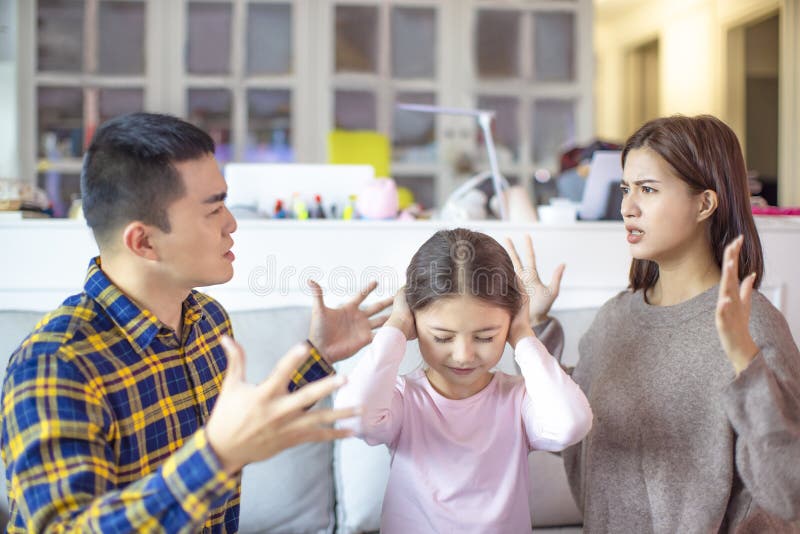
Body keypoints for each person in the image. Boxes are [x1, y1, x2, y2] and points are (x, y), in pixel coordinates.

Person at [0, 112, 391, 533]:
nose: (232, 223)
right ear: (144, 241)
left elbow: (240, 427)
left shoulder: (207, 320)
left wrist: (317, 356)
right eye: (214, 209)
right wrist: (215, 457)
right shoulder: (55, 364)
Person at [507, 115, 800, 532]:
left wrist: (745, 360)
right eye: (626, 189)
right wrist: (534, 329)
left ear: (704, 203)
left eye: (647, 189)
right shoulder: (616, 318)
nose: (627, 207)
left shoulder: (754, 326)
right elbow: (570, 430)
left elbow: (787, 492)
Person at [333, 228, 593, 532]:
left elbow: (572, 423)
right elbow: (352, 418)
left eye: (485, 337)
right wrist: (397, 324)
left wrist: (524, 334)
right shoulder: (403, 400)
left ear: (509, 324)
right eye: (442, 337)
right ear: (416, 322)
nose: (464, 355)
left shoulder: (519, 401)